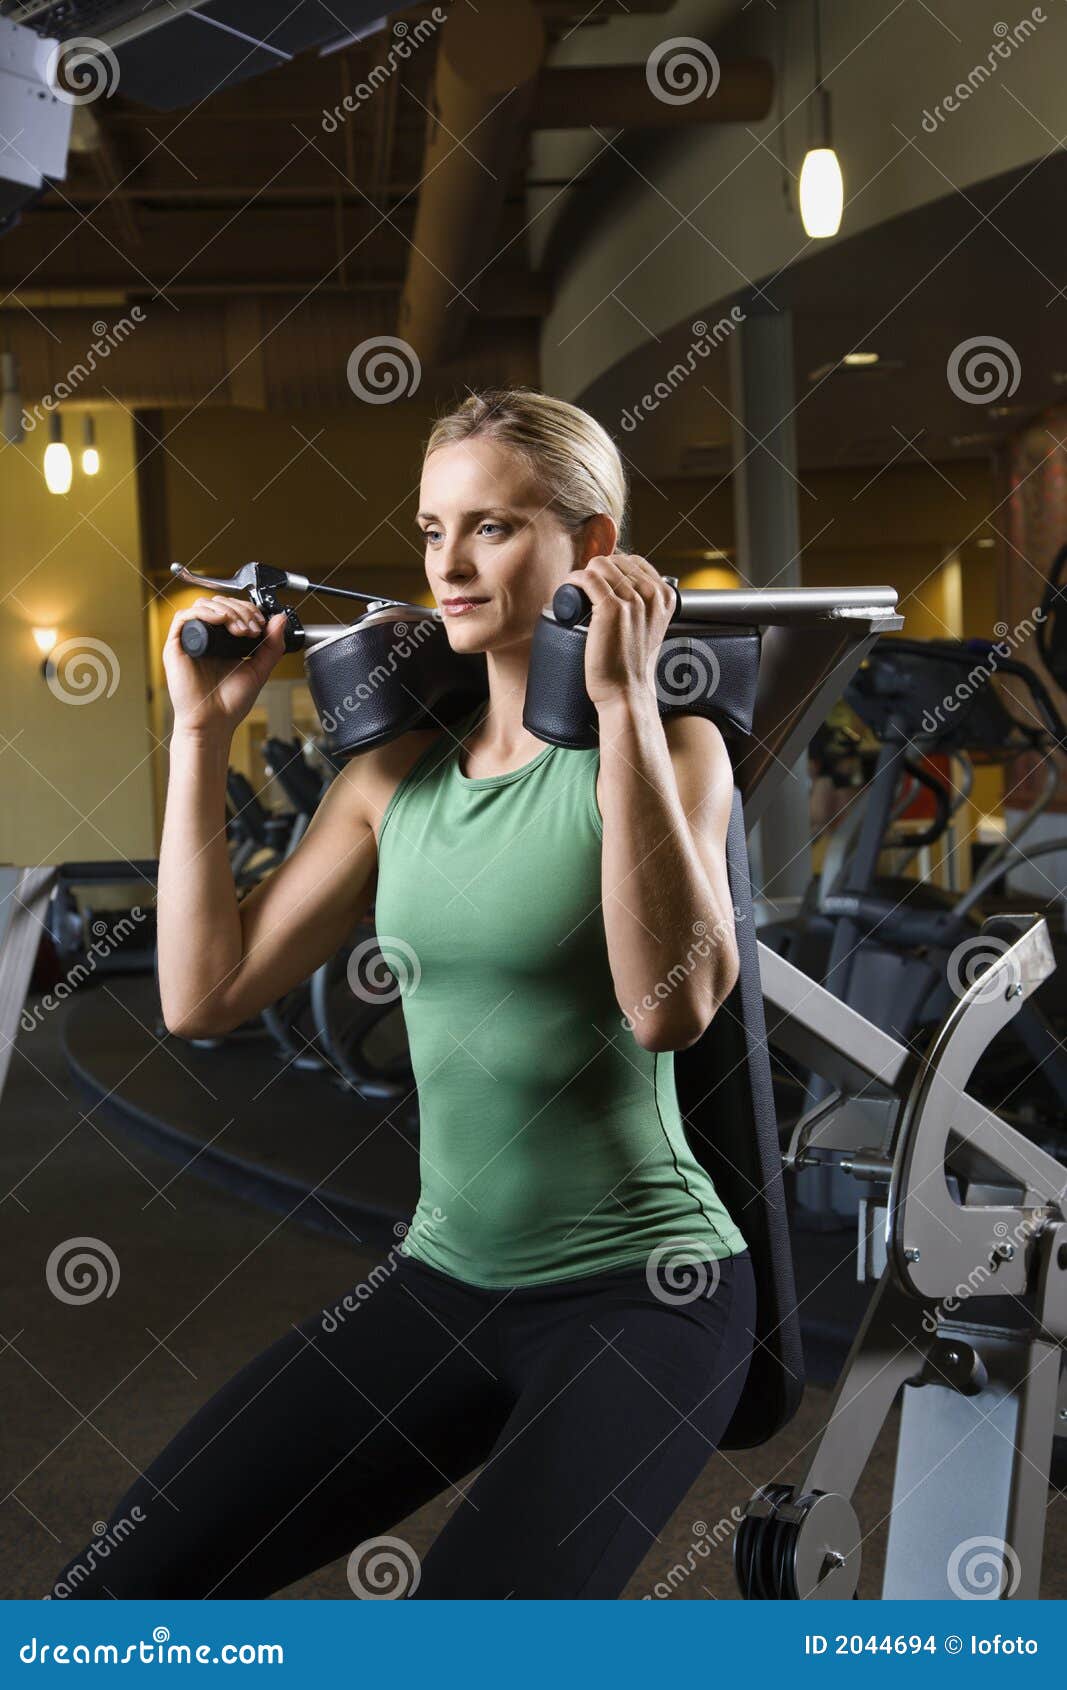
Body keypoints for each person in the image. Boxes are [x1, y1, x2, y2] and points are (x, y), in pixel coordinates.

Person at [48, 387, 756, 1601]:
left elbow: (669, 1010)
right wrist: (197, 737)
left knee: (454, 1647)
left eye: (490, 527)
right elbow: (201, 995)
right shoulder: (392, 779)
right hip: (441, 1276)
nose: (449, 563)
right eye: (432, 530)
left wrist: (627, 699)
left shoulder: (669, 750)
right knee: (114, 1594)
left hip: (644, 1290)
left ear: (590, 549)